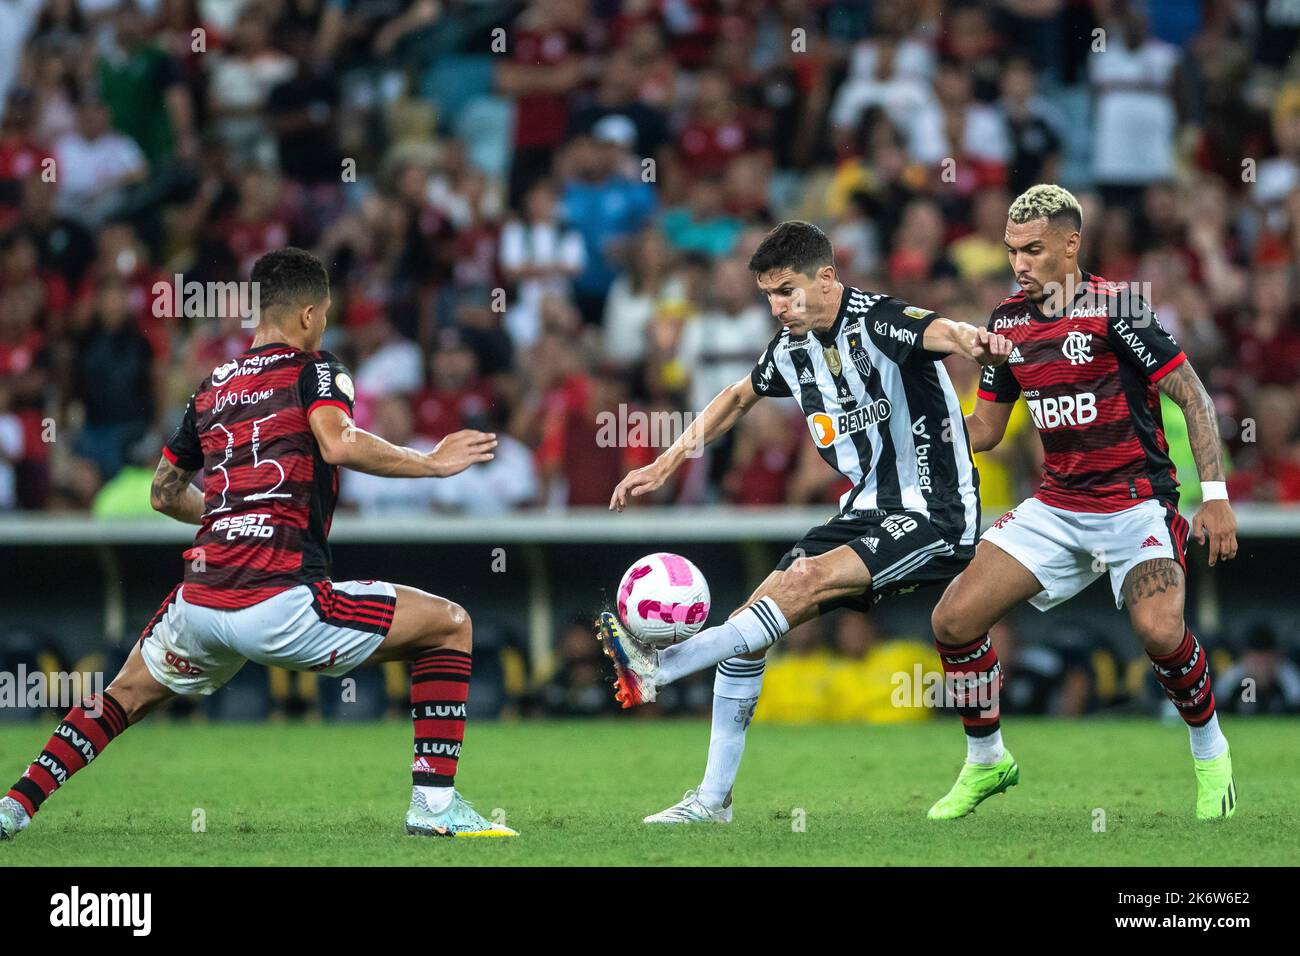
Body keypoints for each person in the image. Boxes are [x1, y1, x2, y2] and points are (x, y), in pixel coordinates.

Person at [0, 248, 516, 840]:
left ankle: (15, 805)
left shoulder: (212, 384)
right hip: (280, 602)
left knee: (123, 696)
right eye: (323, 314)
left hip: (201, 601)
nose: (323, 325)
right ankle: (433, 806)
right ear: (306, 314)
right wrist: (430, 463)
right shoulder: (316, 369)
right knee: (450, 625)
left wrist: (227, 514)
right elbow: (339, 443)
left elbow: (164, 494)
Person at [598, 220, 1011, 824]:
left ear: (827, 277)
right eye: (768, 294)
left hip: (935, 512)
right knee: (751, 626)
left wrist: (971, 338)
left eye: (787, 290)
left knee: (800, 582)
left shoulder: (877, 319)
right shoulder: (791, 349)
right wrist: (665, 462)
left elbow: (938, 330)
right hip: (865, 508)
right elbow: (738, 396)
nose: (777, 307)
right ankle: (712, 801)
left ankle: (661, 666)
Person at [928, 184, 1239, 821]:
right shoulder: (1008, 322)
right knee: (952, 622)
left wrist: (1216, 497)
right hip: (1058, 505)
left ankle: (1212, 754)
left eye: (1033, 249)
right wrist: (918, 437)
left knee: (1160, 634)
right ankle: (987, 763)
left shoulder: (1117, 309)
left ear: (1071, 245)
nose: (1019, 264)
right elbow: (986, 429)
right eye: (1012, 250)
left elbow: (1195, 398)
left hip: (1135, 503)